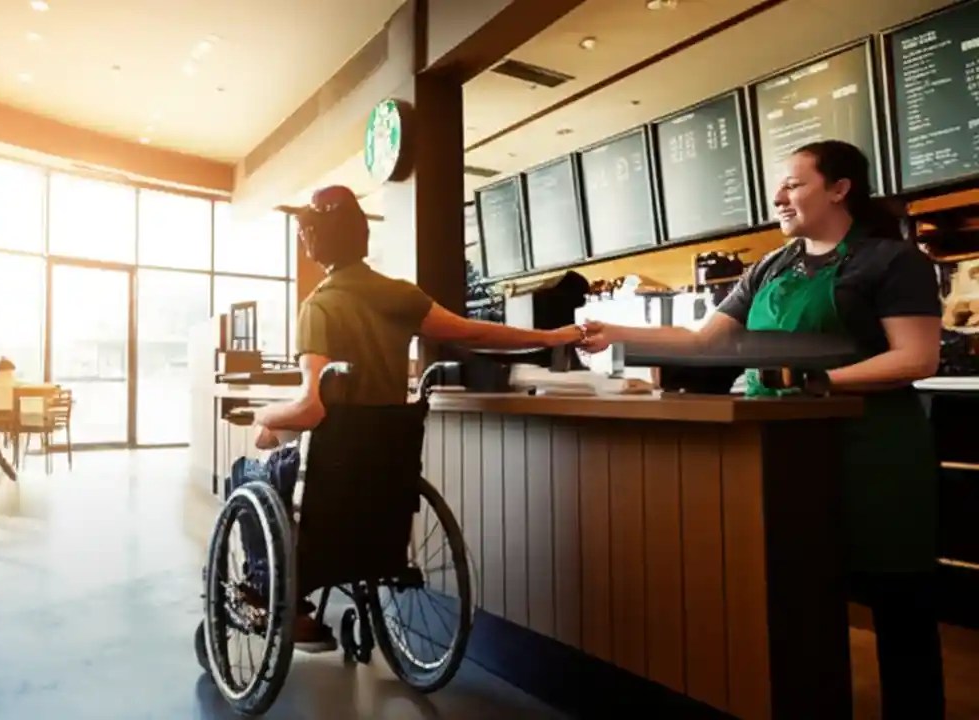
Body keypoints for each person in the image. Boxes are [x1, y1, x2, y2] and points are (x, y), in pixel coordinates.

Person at [581, 140, 944, 718]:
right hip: (780, 456)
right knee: (799, 602)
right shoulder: (772, 266)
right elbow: (706, 342)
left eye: (794, 184)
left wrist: (817, 382)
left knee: (899, 606)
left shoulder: (890, 261)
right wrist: (614, 335)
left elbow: (916, 359)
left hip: (873, 454)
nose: (778, 196)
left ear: (840, 188)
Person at [236, 184, 586, 651]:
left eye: (306, 232)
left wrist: (264, 417)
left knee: (247, 477)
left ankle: (278, 603)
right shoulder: (398, 295)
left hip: (330, 466)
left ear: (319, 237)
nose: (303, 241)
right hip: (385, 465)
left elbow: (312, 407)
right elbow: (475, 332)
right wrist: (551, 336)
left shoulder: (317, 306)